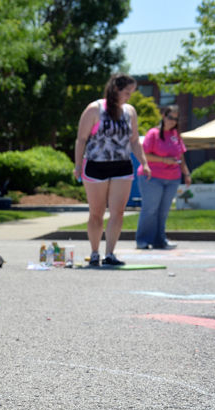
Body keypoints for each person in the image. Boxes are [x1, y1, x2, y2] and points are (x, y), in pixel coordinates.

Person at [73, 73, 150, 267]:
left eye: (131, 92)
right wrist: (78, 165)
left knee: (118, 212)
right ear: (115, 89)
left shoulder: (129, 111)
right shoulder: (94, 109)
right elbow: (81, 139)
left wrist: (144, 162)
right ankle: (94, 252)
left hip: (122, 165)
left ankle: (110, 253)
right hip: (96, 165)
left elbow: (134, 140)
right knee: (96, 212)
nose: (129, 96)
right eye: (127, 92)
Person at [136, 105, 191, 249]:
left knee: (163, 211)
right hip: (151, 177)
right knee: (150, 210)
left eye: (176, 119)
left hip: (172, 178)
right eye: (170, 117)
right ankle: (143, 240)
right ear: (163, 116)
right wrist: (164, 160)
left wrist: (186, 173)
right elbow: (144, 155)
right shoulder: (153, 133)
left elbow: (181, 155)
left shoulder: (175, 135)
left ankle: (160, 240)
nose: (172, 121)